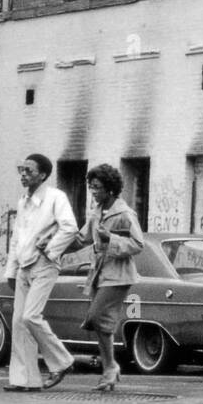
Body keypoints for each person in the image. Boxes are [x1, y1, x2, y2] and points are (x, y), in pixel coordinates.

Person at [4, 153, 79, 392]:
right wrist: (11, 270)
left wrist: (51, 252)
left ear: (43, 175)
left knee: (30, 317)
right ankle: (24, 380)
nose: (23, 175)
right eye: (21, 170)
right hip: (24, 266)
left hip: (44, 265)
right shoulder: (22, 202)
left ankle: (62, 361)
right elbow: (17, 238)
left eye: (29, 171)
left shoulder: (56, 197)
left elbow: (70, 227)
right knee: (18, 322)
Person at [78, 164, 144, 392]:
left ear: (110, 189)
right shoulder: (97, 212)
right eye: (90, 187)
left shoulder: (124, 213)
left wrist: (111, 240)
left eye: (97, 187)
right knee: (100, 323)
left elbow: (138, 244)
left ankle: (111, 366)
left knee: (96, 317)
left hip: (118, 275)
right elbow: (82, 238)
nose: (93, 191)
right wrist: (54, 248)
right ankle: (110, 368)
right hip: (99, 274)